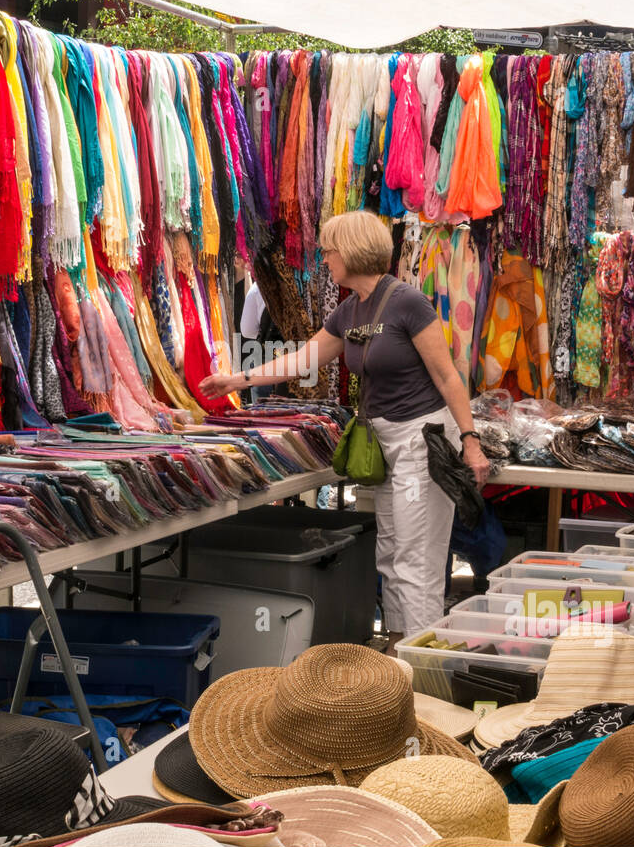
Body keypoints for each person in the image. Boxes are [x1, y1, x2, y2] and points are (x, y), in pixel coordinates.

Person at [200, 211, 489, 643]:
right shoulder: (348, 310)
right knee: (391, 555)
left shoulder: (408, 302)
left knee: (417, 561)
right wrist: (236, 381)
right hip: (384, 443)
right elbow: (303, 360)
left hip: (421, 440)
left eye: (330, 249)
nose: (325, 257)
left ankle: (423, 663)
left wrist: (471, 441)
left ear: (352, 250)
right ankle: (398, 653)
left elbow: (449, 375)